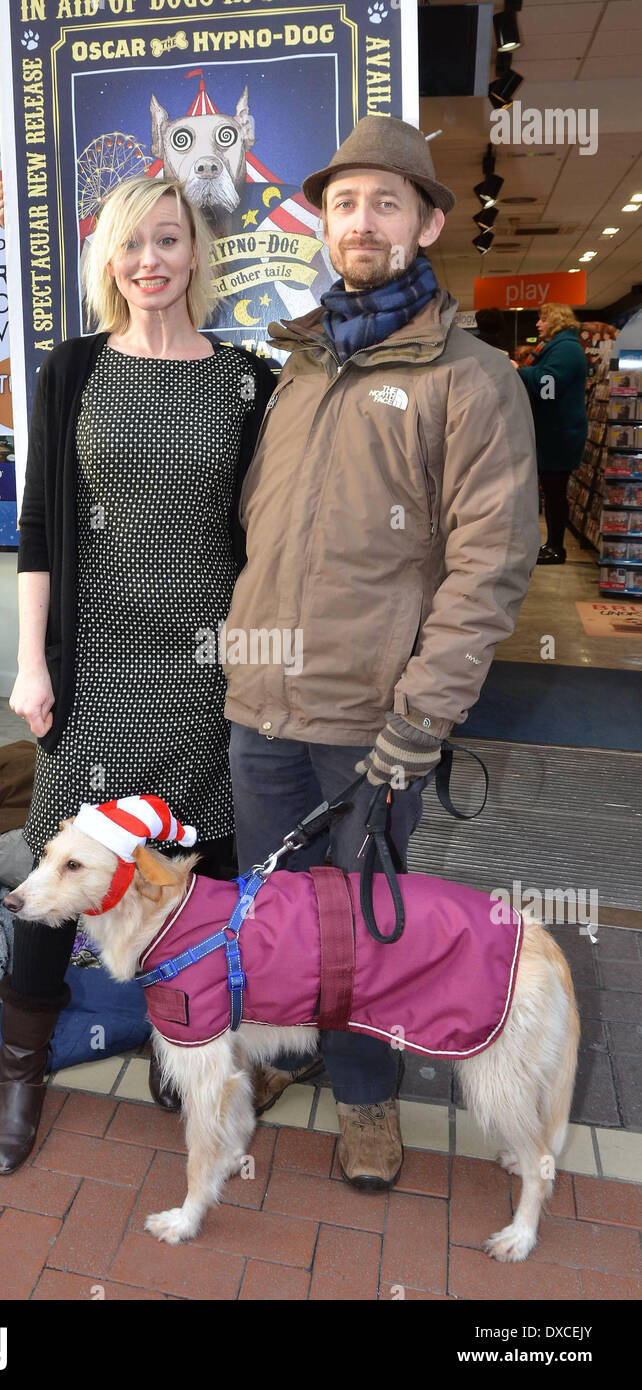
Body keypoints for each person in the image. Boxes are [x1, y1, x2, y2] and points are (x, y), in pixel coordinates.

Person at [223, 116, 541, 1191]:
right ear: (325, 222)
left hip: (374, 723)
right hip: (261, 708)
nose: (361, 223)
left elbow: (488, 569)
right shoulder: (300, 369)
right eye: (345, 203)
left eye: (386, 204)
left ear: (428, 223)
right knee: (274, 910)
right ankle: (283, 1048)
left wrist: (420, 718)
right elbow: (267, 534)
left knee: (360, 921)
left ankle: (364, 1095)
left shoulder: (473, 380)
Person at [0, 175, 275, 1174]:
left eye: (167, 240)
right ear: (107, 260)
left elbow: (267, 534)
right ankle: (19, 1068)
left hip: (208, 672)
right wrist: (32, 665)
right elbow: (36, 531)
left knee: (197, 880)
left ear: (196, 253)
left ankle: (180, 1037)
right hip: (98, 666)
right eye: (129, 244)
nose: (149, 260)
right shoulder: (71, 369)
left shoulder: (248, 379)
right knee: (53, 871)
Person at [515, 302, 588, 565]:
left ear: (556, 321)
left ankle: (556, 547)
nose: (538, 324)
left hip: (559, 434)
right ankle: (553, 544)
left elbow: (548, 385)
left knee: (555, 492)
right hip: (554, 432)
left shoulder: (566, 349)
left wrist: (520, 371)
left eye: (543, 319)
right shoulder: (559, 347)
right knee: (552, 491)